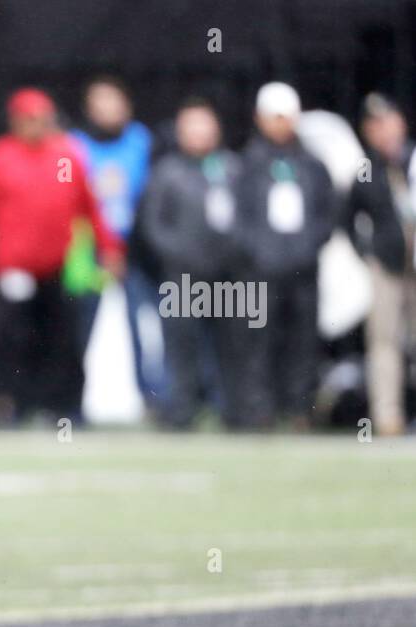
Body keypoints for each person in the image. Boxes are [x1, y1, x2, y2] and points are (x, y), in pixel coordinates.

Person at [0, 88, 123, 425]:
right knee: (9, 340)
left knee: (61, 340)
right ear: (15, 120)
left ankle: (62, 409)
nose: (37, 126)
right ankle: (3, 406)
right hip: (12, 268)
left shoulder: (66, 155)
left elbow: (89, 207)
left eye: (42, 118)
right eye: (29, 119)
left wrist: (109, 247)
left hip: (55, 267)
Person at [231, 82, 335, 430]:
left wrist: (307, 248)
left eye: (286, 117)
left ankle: (299, 410)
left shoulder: (312, 164)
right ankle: (259, 410)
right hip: (259, 270)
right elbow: (238, 216)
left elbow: (326, 214)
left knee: (302, 342)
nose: (280, 124)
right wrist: (259, 252)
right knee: (258, 340)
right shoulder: (248, 163)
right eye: (273, 117)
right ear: (260, 119)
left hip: (303, 269)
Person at [138, 98, 242, 429]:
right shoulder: (167, 171)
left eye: (204, 124)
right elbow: (153, 225)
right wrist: (182, 256)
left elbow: (246, 219)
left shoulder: (232, 167)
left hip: (227, 274)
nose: (199, 132)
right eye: (191, 125)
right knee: (181, 348)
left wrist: (229, 254)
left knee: (232, 346)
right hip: (182, 274)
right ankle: (181, 412)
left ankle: (233, 412)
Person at [72, 77, 162, 408]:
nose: (108, 109)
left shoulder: (141, 141)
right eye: (100, 102)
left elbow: (152, 198)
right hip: (90, 251)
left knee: (142, 323)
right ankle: (78, 400)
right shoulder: (74, 146)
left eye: (114, 101)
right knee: (83, 325)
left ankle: (151, 397)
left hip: (136, 251)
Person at [349, 93, 414, 437]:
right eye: (375, 125)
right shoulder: (366, 169)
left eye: (388, 121)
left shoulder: (414, 160)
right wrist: (368, 252)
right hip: (388, 267)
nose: (383, 131)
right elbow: (348, 217)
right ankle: (388, 416)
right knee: (385, 343)